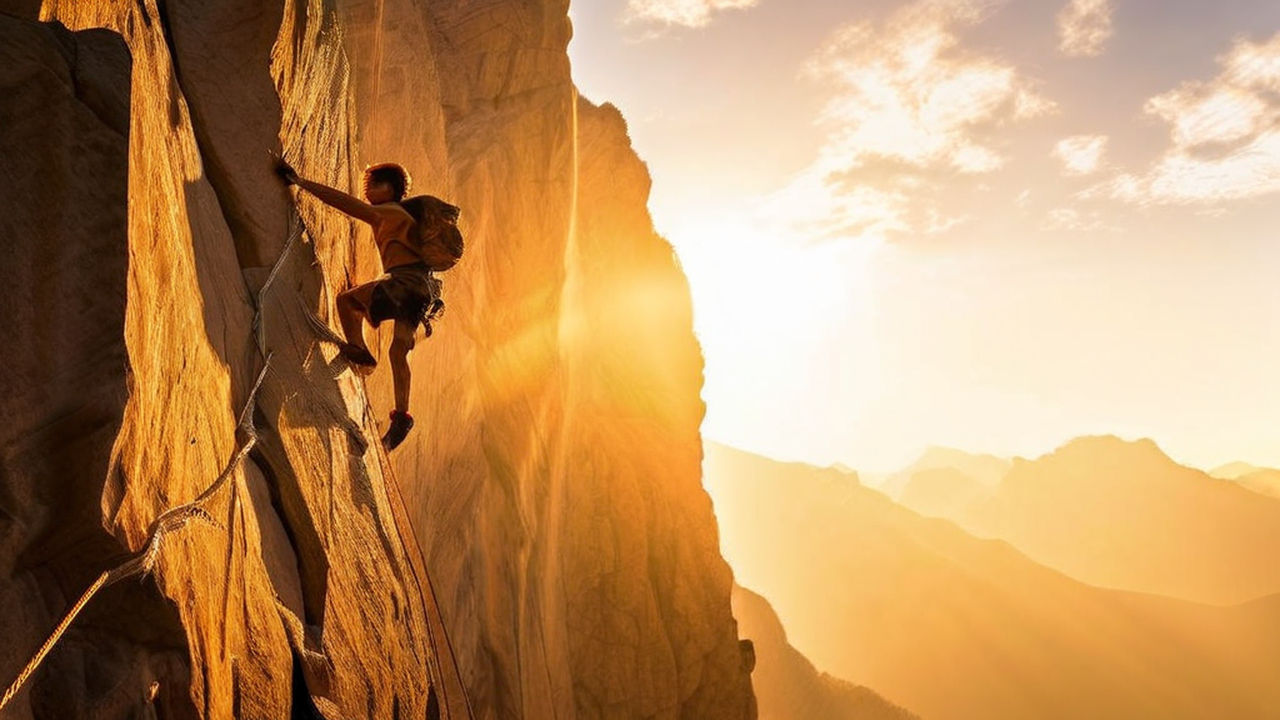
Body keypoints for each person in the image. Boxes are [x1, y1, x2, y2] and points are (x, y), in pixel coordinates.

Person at [275, 158, 442, 451]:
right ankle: (402, 416)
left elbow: (346, 204)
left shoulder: (388, 213)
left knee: (347, 301)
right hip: (422, 290)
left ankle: (360, 351)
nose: (368, 192)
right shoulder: (408, 217)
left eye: (372, 186)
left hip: (403, 284)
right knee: (399, 349)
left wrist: (302, 183)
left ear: (389, 188)